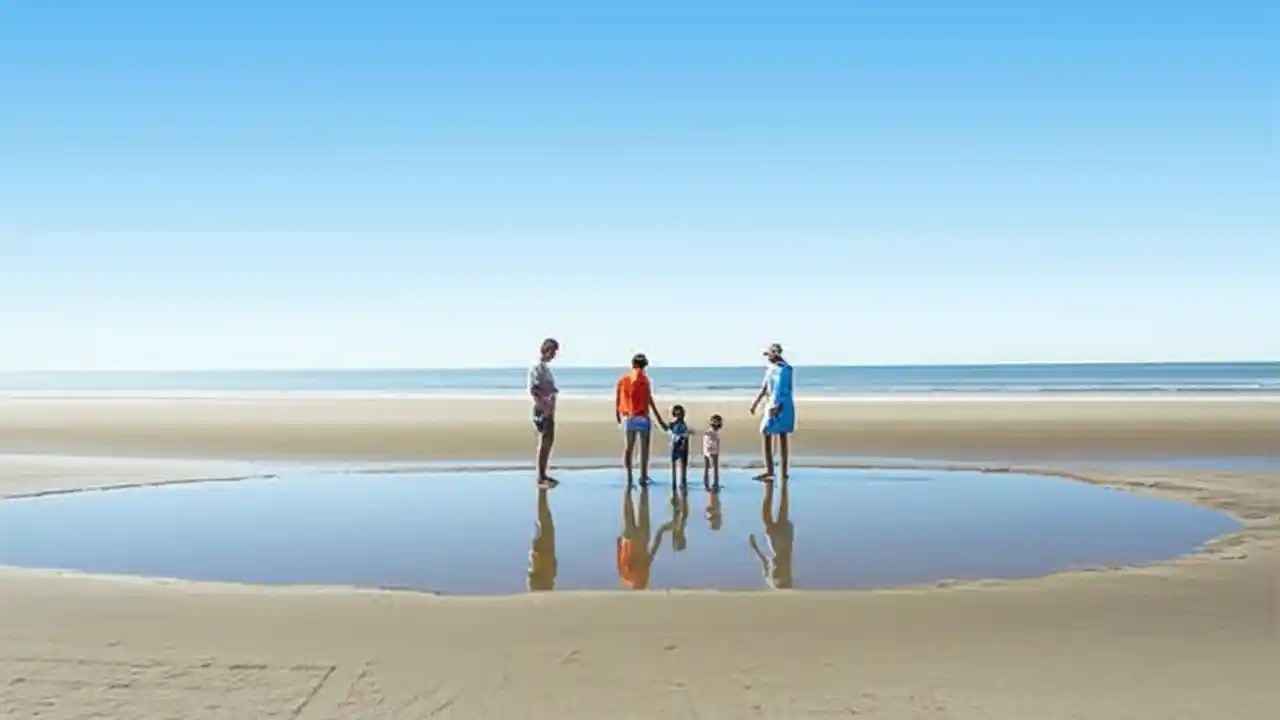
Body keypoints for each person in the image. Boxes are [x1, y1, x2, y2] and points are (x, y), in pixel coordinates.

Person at [615, 353, 668, 486]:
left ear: (632, 364)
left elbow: (618, 397)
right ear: (644, 366)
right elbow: (649, 399)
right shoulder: (644, 380)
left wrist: (617, 413)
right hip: (643, 417)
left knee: (629, 449)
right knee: (644, 450)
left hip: (629, 417)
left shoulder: (624, 379)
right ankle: (643, 476)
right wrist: (659, 419)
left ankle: (629, 477)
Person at [749, 342, 795, 482]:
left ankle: (782, 471)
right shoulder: (771, 368)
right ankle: (770, 470)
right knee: (768, 433)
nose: (767, 357)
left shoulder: (785, 369)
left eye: (768, 354)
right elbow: (765, 387)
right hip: (772, 403)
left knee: (780, 435)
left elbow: (783, 389)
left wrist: (778, 406)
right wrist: (756, 403)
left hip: (782, 404)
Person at [616, 483, 674, 589]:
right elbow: (620, 564)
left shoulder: (641, 575)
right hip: (630, 541)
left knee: (643, 508)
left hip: (640, 540)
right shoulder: (626, 577)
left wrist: (663, 530)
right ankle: (629, 487)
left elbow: (654, 549)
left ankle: (638, 486)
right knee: (630, 511)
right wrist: (619, 544)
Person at [748, 475, 793, 589]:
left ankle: (771, 487)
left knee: (772, 514)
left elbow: (764, 561)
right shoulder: (779, 569)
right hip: (781, 542)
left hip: (777, 542)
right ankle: (774, 486)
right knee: (780, 510)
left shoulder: (770, 575)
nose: (775, 567)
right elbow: (765, 561)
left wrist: (755, 547)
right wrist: (755, 547)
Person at [528, 338, 561, 488]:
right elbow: (534, 389)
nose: (554, 355)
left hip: (549, 409)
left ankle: (543, 474)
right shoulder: (537, 367)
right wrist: (545, 405)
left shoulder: (545, 368)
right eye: (553, 352)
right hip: (542, 409)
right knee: (543, 442)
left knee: (548, 442)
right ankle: (540, 477)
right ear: (546, 350)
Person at [527, 484, 557, 591]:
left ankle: (542, 493)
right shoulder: (544, 578)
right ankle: (542, 488)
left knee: (546, 524)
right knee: (546, 524)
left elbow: (531, 572)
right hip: (544, 556)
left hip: (543, 557)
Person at [667, 404, 692, 489]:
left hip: (682, 444)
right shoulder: (672, 423)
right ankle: (674, 481)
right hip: (674, 444)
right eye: (676, 414)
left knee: (683, 464)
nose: (678, 416)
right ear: (673, 414)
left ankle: (683, 481)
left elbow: (685, 435)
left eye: (680, 414)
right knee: (673, 463)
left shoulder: (683, 424)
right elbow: (668, 430)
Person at [702, 413, 723, 491]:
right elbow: (708, 442)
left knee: (710, 468)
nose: (716, 423)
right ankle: (712, 484)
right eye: (715, 421)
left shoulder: (713, 432)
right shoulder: (710, 432)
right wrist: (709, 453)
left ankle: (710, 484)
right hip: (711, 452)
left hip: (711, 451)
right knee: (712, 468)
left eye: (718, 422)